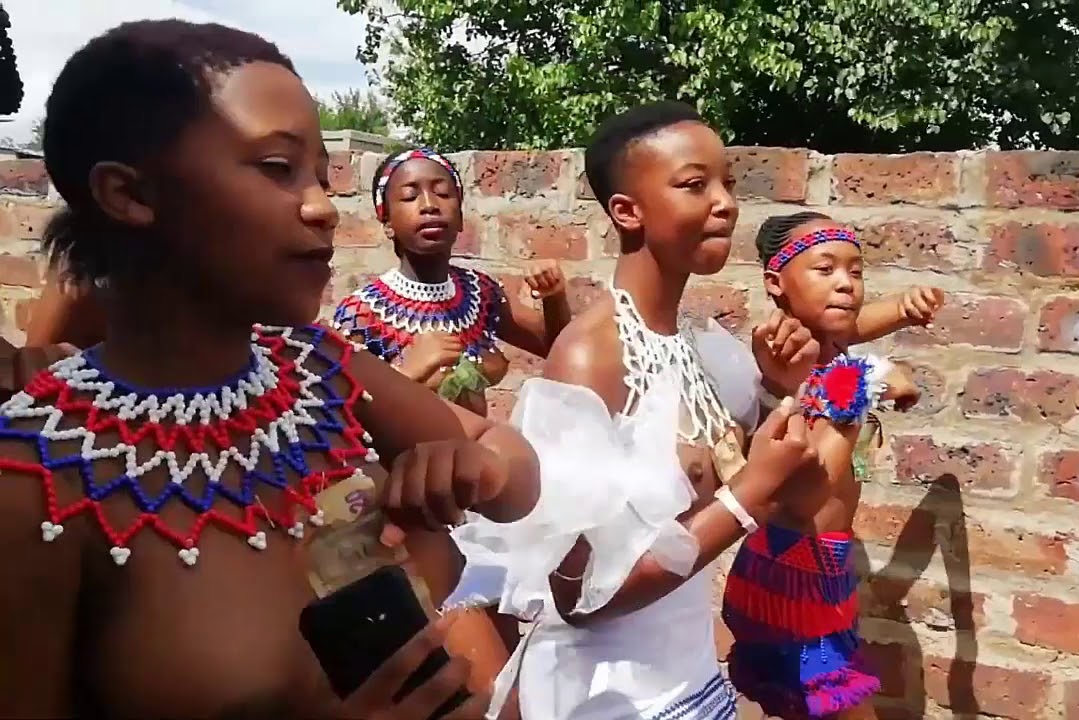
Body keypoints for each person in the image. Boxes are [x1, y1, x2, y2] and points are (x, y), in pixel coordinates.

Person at [0, 20, 541, 720]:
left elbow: (515, 469)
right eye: (276, 168)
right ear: (128, 195)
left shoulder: (320, 372)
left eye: (321, 175)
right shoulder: (39, 480)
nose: (321, 208)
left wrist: (476, 473)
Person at [441, 101, 824, 720]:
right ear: (628, 211)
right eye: (695, 184)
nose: (725, 202)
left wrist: (781, 390)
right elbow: (578, 597)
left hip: (692, 683)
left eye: (727, 182)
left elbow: (776, 485)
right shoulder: (592, 358)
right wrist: (745, 497)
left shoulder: (706, 347)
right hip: (604, 700)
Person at [721, 213, 943, 719]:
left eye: (856, 271)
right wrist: (868, 379)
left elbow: (854, 324)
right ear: (776, 283)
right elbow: (809, 488)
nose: (846, 283)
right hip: (798, 582)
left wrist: (904, 311)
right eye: (825, 269)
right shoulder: (789, 354)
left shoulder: (828, 347)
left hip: (804, 567)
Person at [333, 148, 572, 416]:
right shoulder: (362, 314)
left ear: (459, 218)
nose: (429, 205)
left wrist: (554, 297)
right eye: (410, 196)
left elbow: (559, 352)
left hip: (480, 452)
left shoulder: (480, 293)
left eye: (443, 194)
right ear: (386, 222)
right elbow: (342, 413)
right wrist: (408, 371)